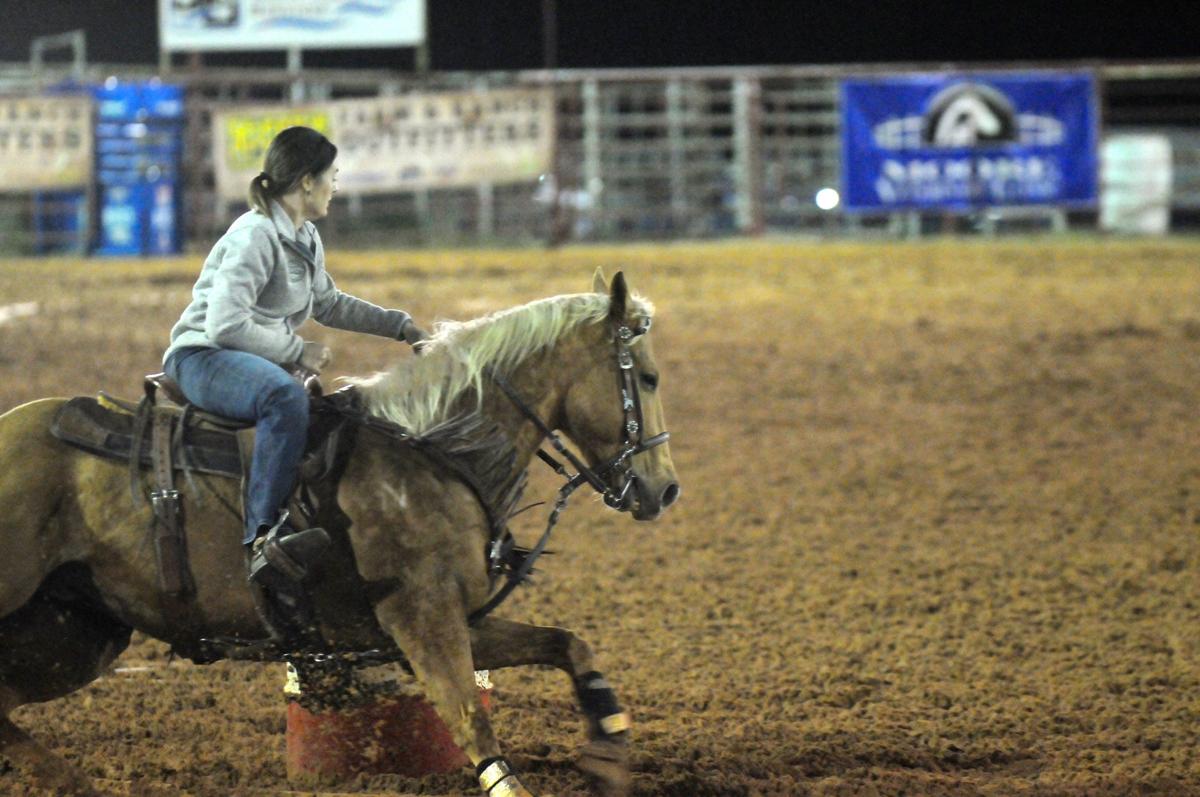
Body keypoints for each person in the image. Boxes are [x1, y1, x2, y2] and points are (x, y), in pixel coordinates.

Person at [162, 126, 425, 604]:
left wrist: (400, 327)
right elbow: (223, 325)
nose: (335, 186)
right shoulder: (255, 236)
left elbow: (328, 303)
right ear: (307, 181)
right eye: (332, 176)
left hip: (241, 357)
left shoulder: (304, 235)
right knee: (284, 397)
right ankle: (263, 539)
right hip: (202, 356)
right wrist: (294, 350)